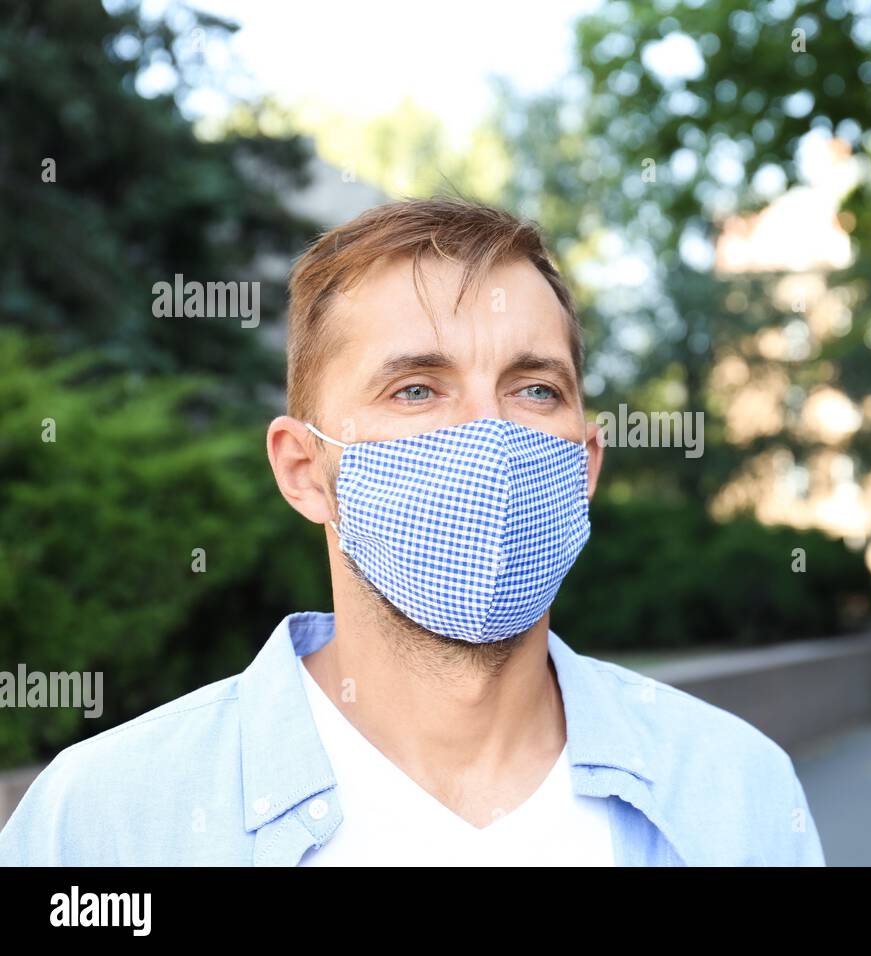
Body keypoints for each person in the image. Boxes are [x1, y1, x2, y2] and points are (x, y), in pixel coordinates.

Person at [0, 197, 826, 866]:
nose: (488, 438)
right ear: (303, 470)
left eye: (534, 389)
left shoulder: (737, 793)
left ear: (585, 464)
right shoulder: (106, 823)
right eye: (416, 390)